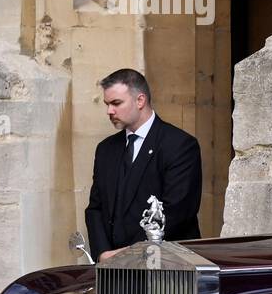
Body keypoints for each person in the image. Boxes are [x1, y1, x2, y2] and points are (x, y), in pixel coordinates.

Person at [84, 69, 202, 260]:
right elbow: (95, 208)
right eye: (107, 104)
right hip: (113, 271)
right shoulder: (105, 149)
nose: (109, 111)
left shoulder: (179, 145)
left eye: (116, 103)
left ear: (140, 100)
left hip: (165, 269)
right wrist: (103, 253)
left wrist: (130, 254)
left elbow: (178, 212)